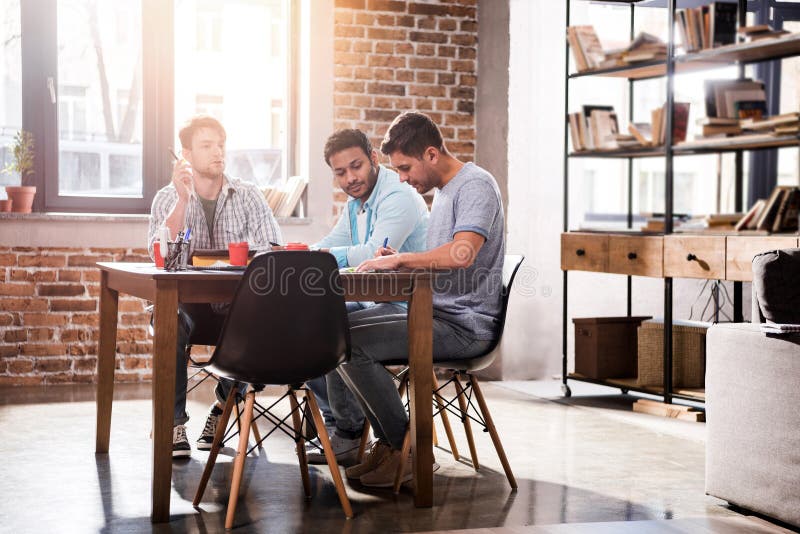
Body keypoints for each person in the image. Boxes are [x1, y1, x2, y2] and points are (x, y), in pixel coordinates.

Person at [336, 111, 505, 487]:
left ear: (431, 154)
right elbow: (439, 266)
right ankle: (392, 446)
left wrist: (401, 257)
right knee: (336, 330)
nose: (402, 179)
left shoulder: (475, 185)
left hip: (465, 326)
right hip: (436, 314)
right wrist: (394, 266)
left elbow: (462, 254)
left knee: (350, 345)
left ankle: (406, 449)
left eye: (405, 167)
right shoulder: (444, 194)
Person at [147, 115, 282, 458]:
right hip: (186, 308)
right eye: (206, 146)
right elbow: (160, 256)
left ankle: (221, 410)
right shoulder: (167, 198)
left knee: (262, 320)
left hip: (234, 309)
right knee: (169, 322)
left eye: (220, 144)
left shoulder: (248, 195)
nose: (217, 151)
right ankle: (174, 424)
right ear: (185, 155)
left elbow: (274, 250)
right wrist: (183, 200)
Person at [305, 128, 429, 464]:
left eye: (356, 166)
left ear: (374, 159)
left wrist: (325, 256)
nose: (350, 178)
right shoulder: (356, 204)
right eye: (340, 172)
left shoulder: (398, 196)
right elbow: (334, 244)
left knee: (339, 332)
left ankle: (401, 446)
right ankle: (345, 430)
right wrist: (304, 254)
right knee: (313, 324)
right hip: (381, 303)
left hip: (415, 308)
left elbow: (373, 253)